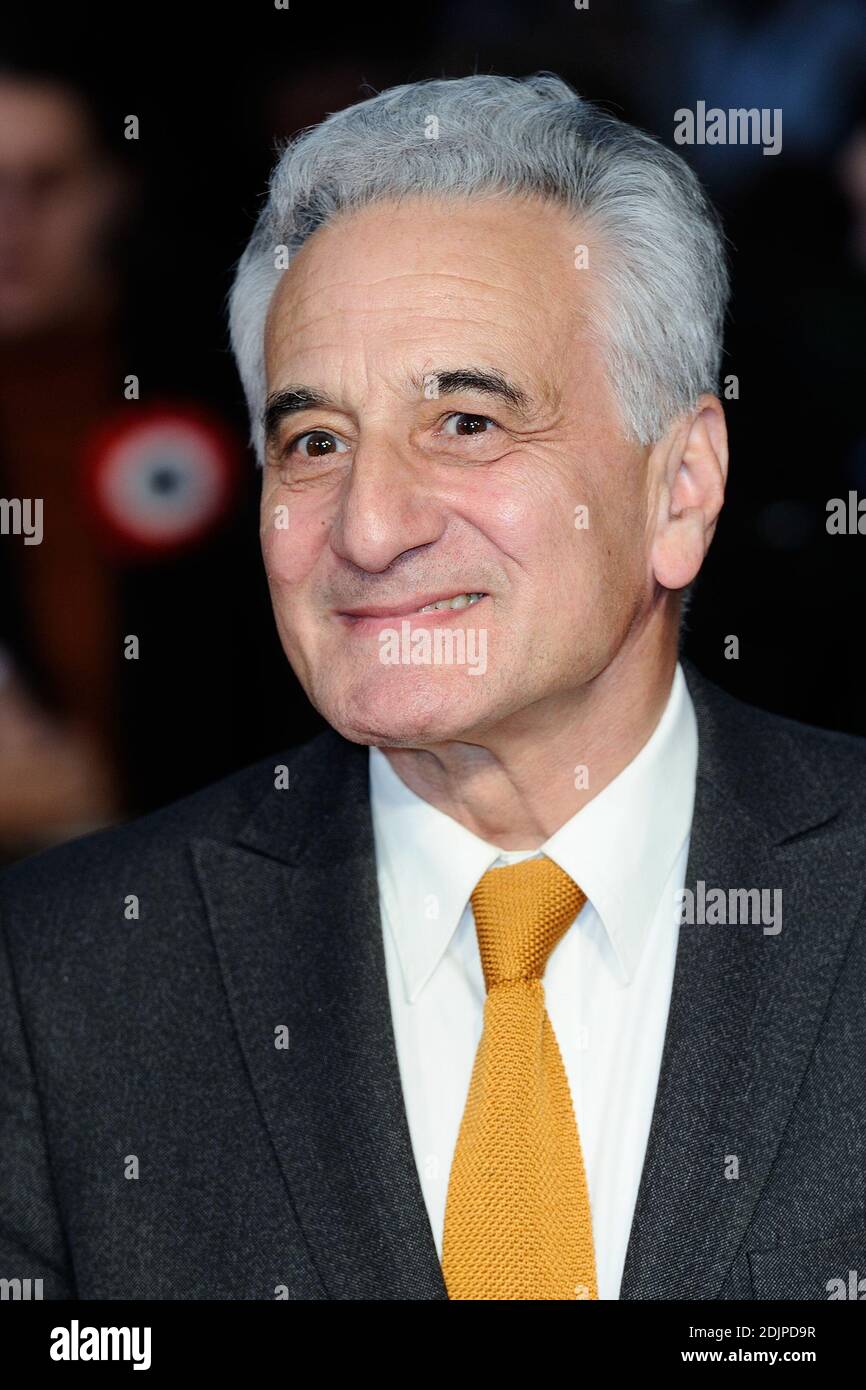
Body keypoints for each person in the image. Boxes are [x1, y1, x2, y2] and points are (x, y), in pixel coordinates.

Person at [1, 72, 864, 1302]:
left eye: (465, 421)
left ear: (677, 490)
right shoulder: (64, 978)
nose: (367, 525)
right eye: (314, 442)